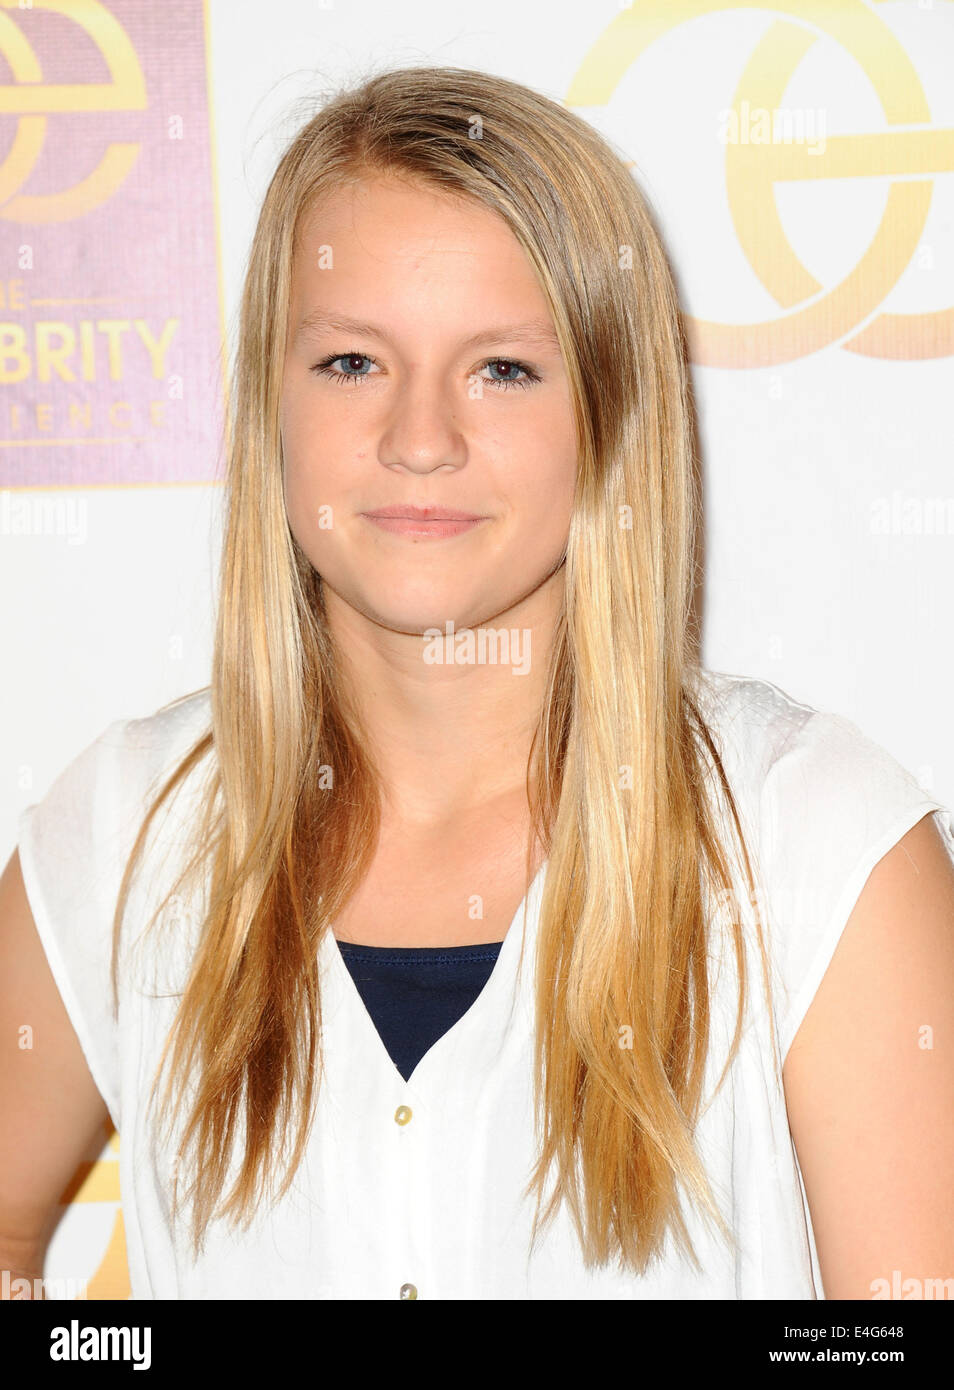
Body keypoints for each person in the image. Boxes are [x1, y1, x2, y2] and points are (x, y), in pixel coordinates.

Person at [2, 64, 953, 1301]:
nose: (419, 437)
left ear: (612, 413)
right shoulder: (125, 825)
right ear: (267, 407)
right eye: (351, 362)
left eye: (503, 369)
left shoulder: (819, 844)